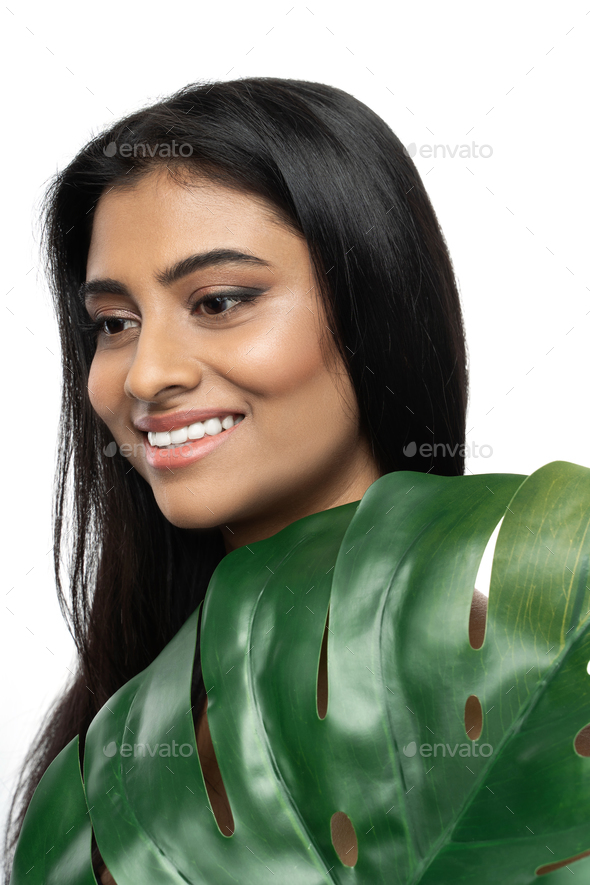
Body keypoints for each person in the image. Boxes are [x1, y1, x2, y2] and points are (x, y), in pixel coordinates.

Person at [4, 76, 479, 883]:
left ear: (375, 303)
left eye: (219, 301)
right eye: (115, 324)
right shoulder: (127, 713)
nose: (146, 375)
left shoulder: (523, 675)